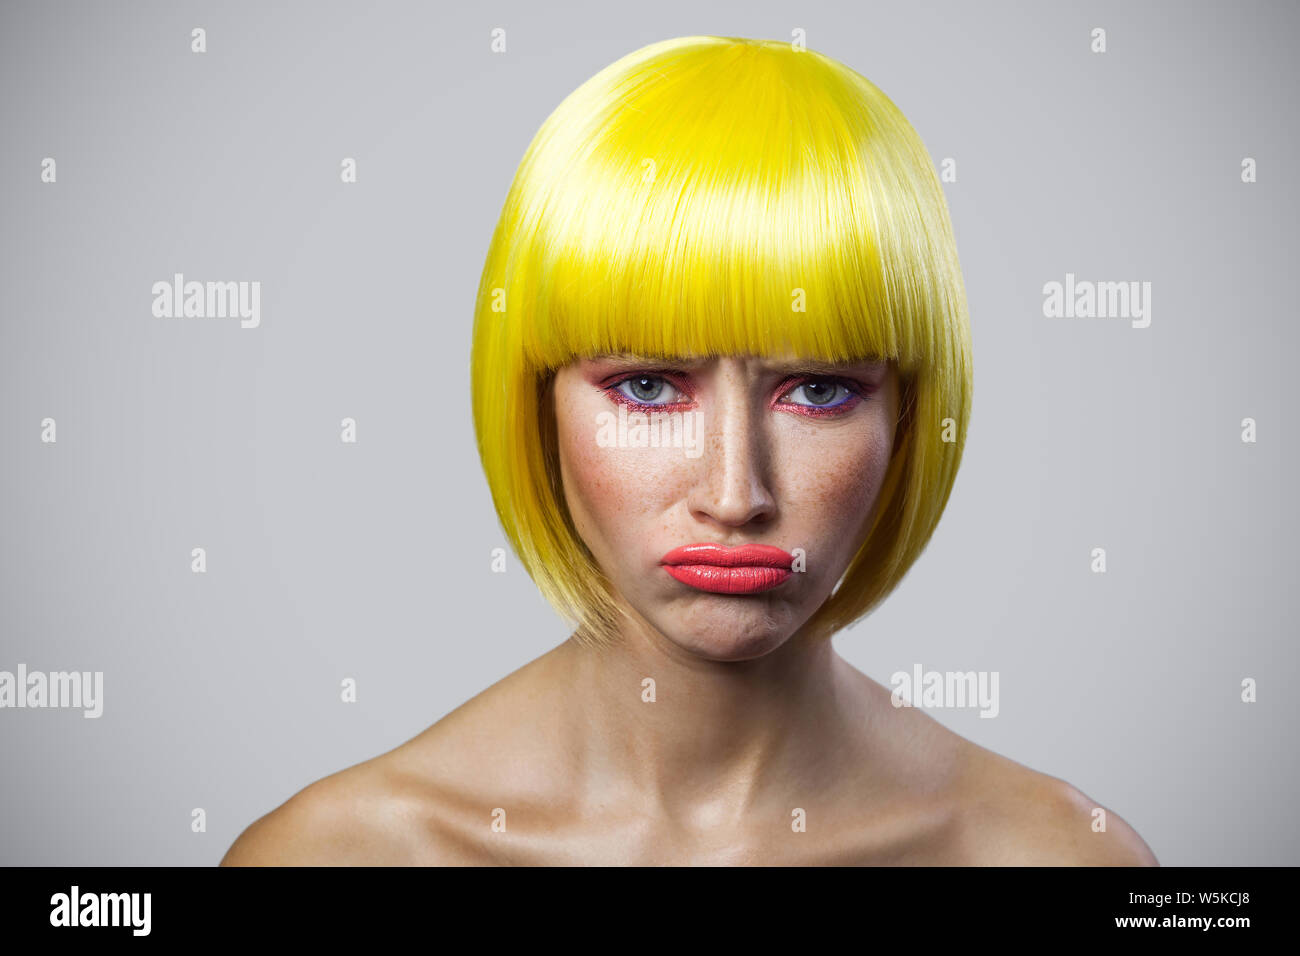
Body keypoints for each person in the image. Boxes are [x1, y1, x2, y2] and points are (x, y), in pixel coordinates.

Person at [222, 35, 1157, 865]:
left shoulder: (1056, 857)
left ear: (910, 418)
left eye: (820, 390)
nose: (735, 493)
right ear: (534, 403)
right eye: (647, 387)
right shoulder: (337, 855)